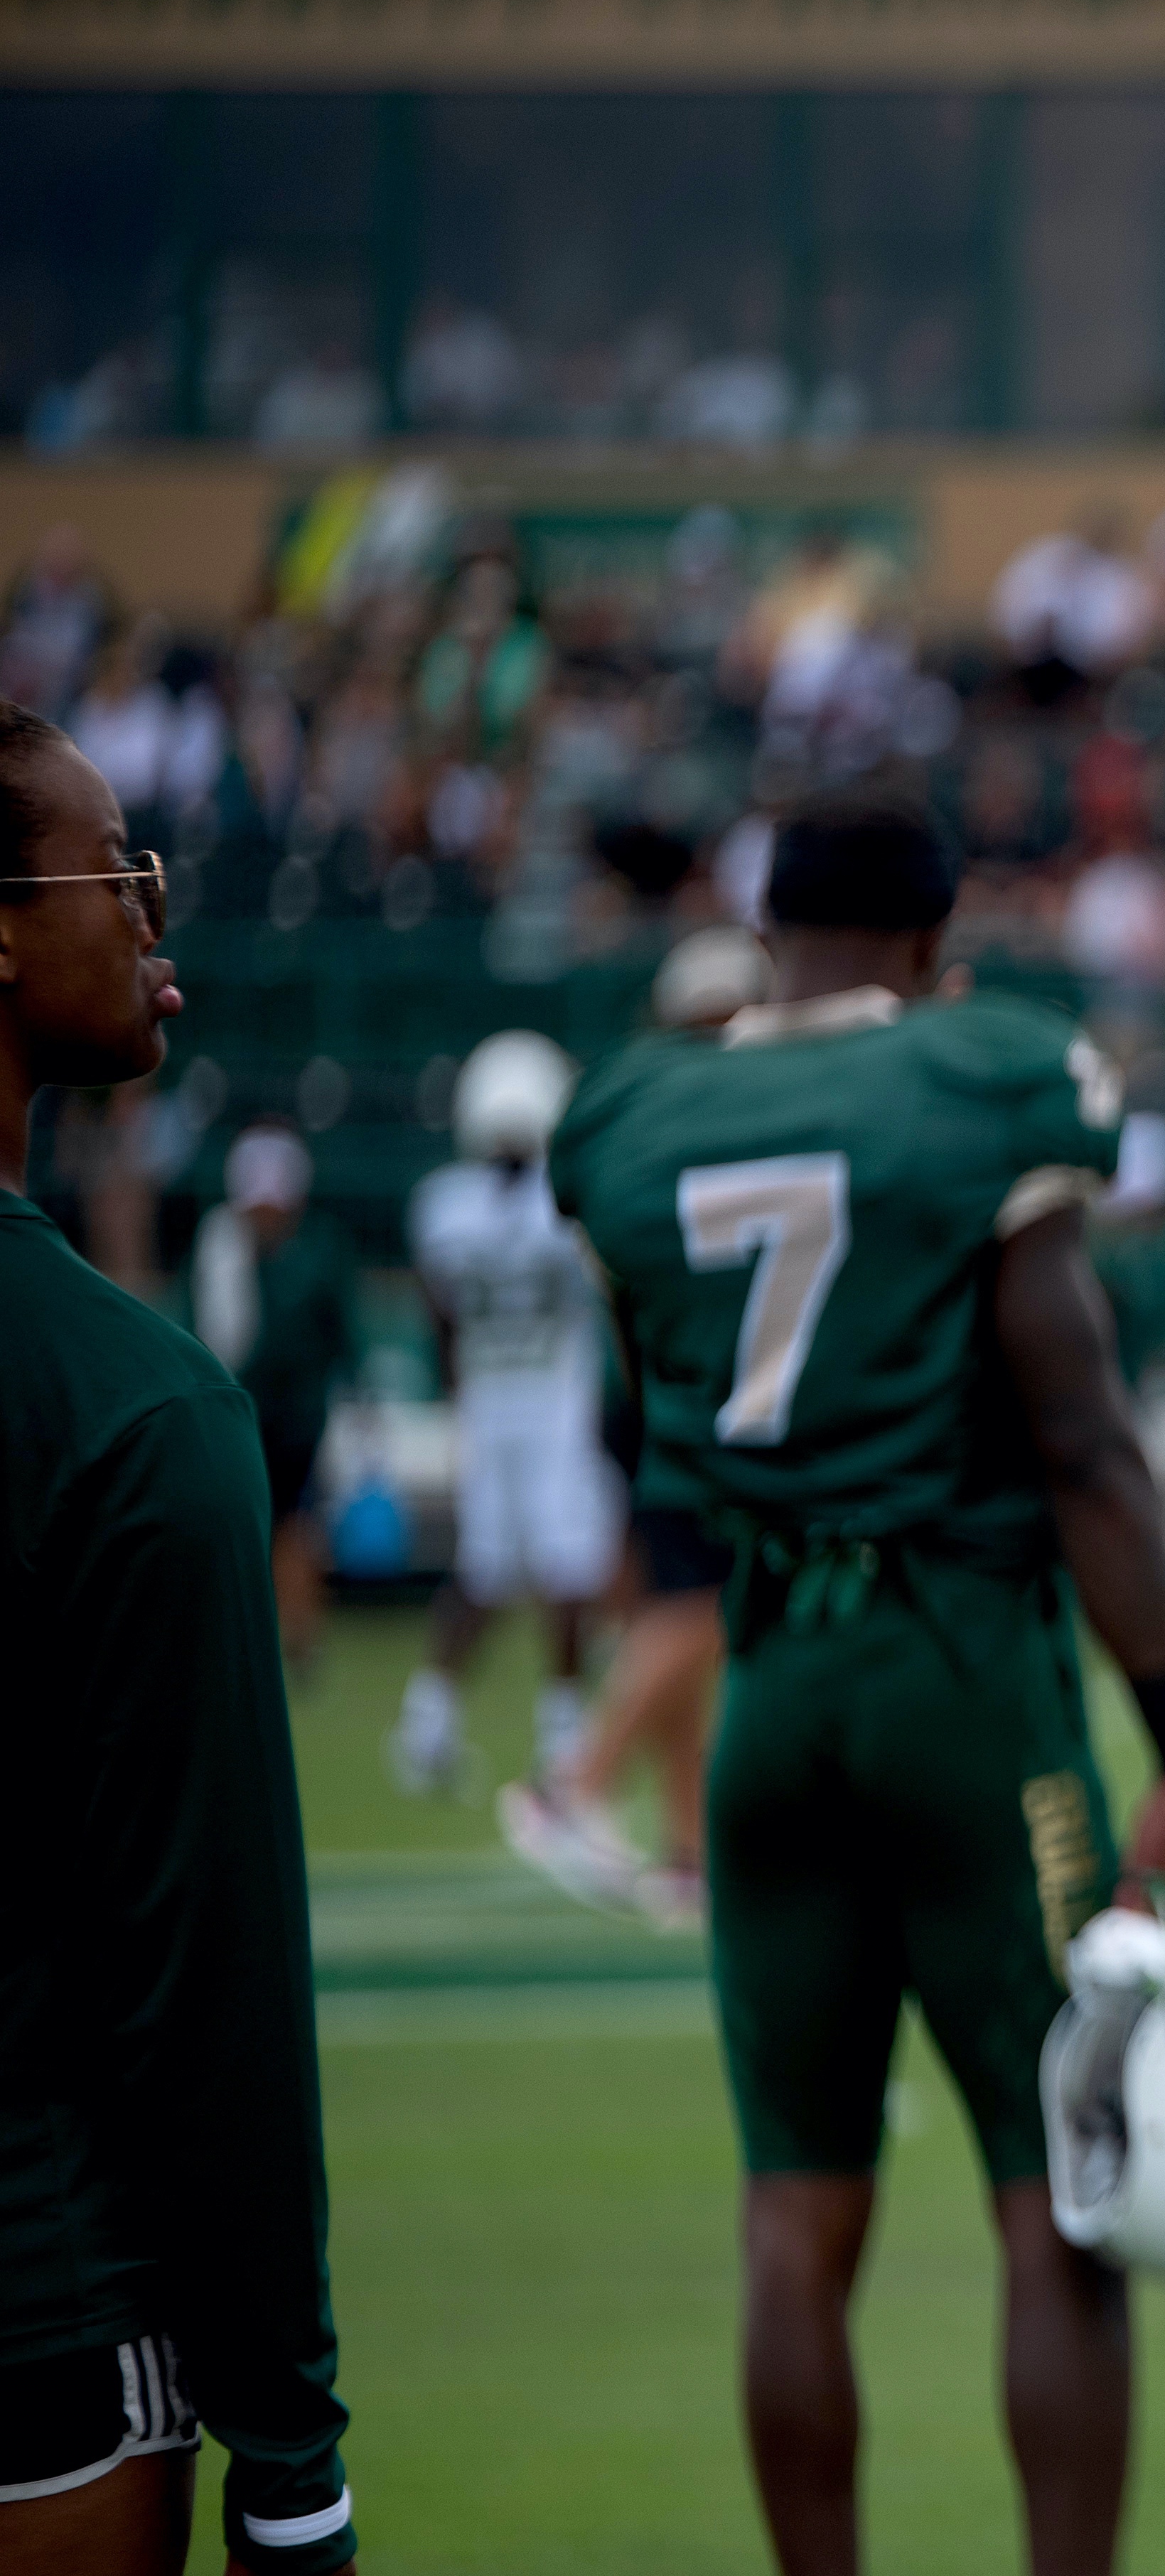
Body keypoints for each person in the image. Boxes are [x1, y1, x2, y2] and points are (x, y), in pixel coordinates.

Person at [547, 793, 1165, 2576]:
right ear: (936, 946)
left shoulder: (636, 1107)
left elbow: (657, 1385)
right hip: (960, 1665)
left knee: (793, 2207)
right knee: (1055, 2197)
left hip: (767, 1670)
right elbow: (1082, 1434)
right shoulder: (986, 1075)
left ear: (768, 934)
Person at [0, 701, 356, 2573]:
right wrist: (294, 2455)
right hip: (43, 2333)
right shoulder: (128, 1409)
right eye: (113, 865)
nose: (153, 913)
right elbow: (204, 1997)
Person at [502, 931, 771, 1926]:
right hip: (678, 1387)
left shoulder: (639, 1114)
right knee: (699, 1607)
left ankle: (687, 1850)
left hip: (650, 1384)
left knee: (687, 1602)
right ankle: (572, 1783)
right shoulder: (709, 1118)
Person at [395, 1031, 621, 1801]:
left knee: (487, 1568)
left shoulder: (443, 1206)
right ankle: (563, 1730)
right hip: (555, 1399)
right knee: (569, 1564)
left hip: (491, 1399)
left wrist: (460, 1382)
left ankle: (427, 1720)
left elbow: (440, 1311)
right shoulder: (567, 1200)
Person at [191, 1121, 356, 1683]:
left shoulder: (318, 1250)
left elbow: (340, 1334)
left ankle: (301, 1644)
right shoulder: (221, 1250)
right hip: (240, 1415)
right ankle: (238, 1636)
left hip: (301, 1420)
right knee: (242, 1525)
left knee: (297, 1527)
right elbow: (208, 1337)